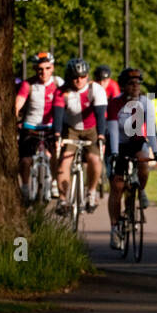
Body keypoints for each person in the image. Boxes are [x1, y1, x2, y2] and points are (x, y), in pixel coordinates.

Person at [105, 67, 157, 248]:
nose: (135, 86)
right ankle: (114, 228)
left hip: (137, 142)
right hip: (118, 145)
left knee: (144, 164)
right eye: (131, 83)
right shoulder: (115, 103)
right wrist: (114, 154)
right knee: (117, 185)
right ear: (123, 86)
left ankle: (141, 190)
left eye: (138, 83)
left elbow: (151, 129)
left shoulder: (145, 102)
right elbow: (113, 131)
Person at [57, 57, 108, 214]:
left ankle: (91, 192)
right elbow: (57, 115)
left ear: (87, 76)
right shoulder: (62, 92)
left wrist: (101, 136)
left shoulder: (96, 90)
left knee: (94, 159)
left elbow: (100, 116)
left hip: (91, 129)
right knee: (65, 160)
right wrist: (57, 135)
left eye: (83, 76)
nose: (79, 80)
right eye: (75, 77)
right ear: (69, 77)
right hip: (71, 128)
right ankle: (63, 199)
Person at [14, 50, 64, 202]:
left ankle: (54, 181)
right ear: (35, 69)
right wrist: (15, 117)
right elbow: (18, 103)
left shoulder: (58, 83)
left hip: (51, 127)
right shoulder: (27, 84)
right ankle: (25, 186)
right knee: (25, 160)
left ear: (53, 68)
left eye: (47, 68)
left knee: (56, 154)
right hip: (31, 126)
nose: (44, 72)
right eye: (40, 69)